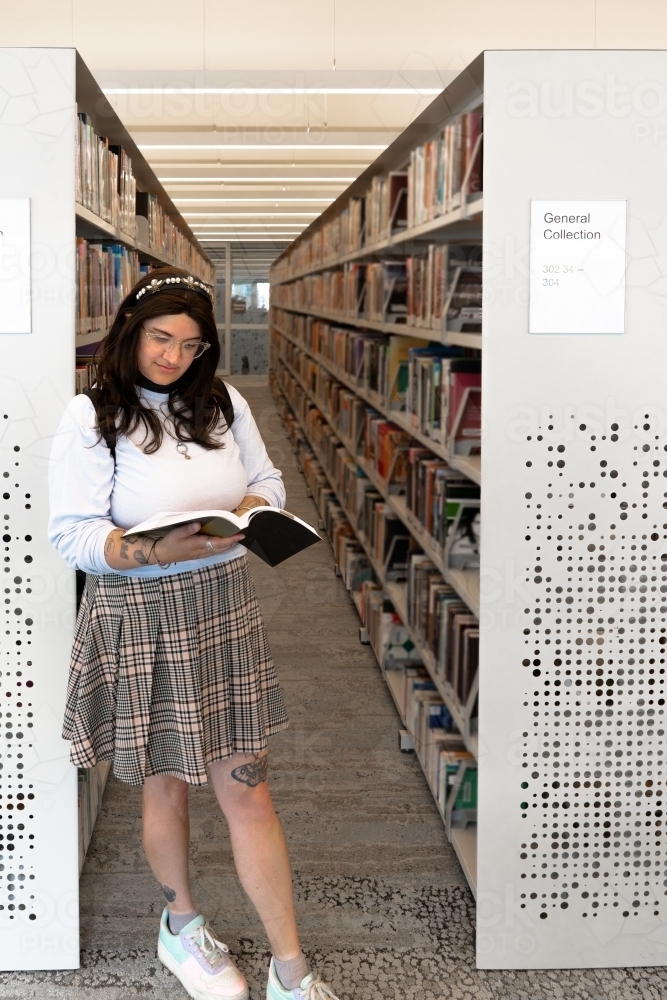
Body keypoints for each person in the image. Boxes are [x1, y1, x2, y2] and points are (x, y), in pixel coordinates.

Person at [49, 267, 340, 1000]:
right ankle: (181, 926)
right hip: (142, 614)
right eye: (160, 338)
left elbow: (269, 481)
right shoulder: (92, 415)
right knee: (167, 787)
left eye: (190, 344)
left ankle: (291, 969)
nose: (173, 357)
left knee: (250, 790)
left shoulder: (222, 402)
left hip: (223, 607)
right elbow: (73, 535)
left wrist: (245, 511)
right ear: (130, 331)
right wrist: (153, 549)